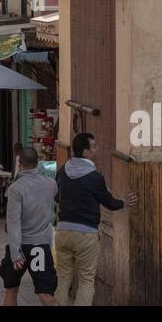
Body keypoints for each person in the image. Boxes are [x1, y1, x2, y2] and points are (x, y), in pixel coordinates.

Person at [53, 131, 139, 306]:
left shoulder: (62, 171)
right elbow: (110, 203)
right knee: (86, 281)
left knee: (63, 279)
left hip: (62, 232)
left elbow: (56, 197)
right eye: (94, 146)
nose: (97, 149)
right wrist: (124, 202)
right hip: (85, 235)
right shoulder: (94, 177)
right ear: (85, 152)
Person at [0, 147, 59, 306]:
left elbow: (13, 222)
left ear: (19, 164)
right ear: (38, 163)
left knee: (11, 290)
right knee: (45, 294)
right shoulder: (51, 184)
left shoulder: (15, 189)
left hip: (20, 247)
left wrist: (15, 252)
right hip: (40, 245)